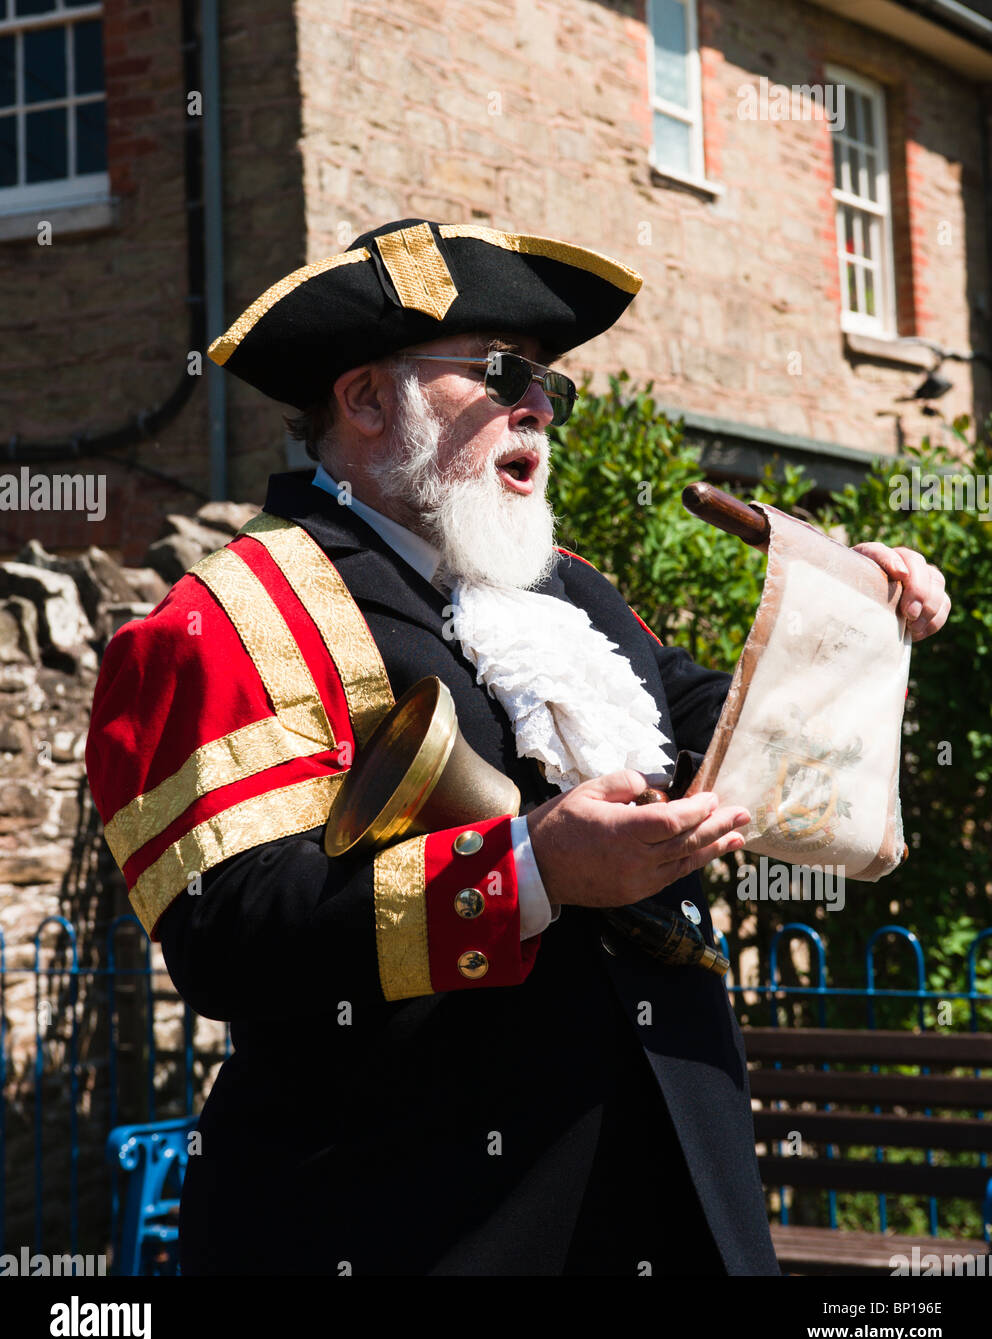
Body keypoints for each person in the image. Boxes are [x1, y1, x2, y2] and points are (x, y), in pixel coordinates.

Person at [85, 219, 949, 1276]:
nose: (538, 403)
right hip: (409, 1221)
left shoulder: (567, 591)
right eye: (501, 372)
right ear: (364, 398)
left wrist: (851, 618)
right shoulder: (222, 619)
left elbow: (723, 727)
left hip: (670, 1189)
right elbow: (229, 932)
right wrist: (532, 871)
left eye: (549, 385)